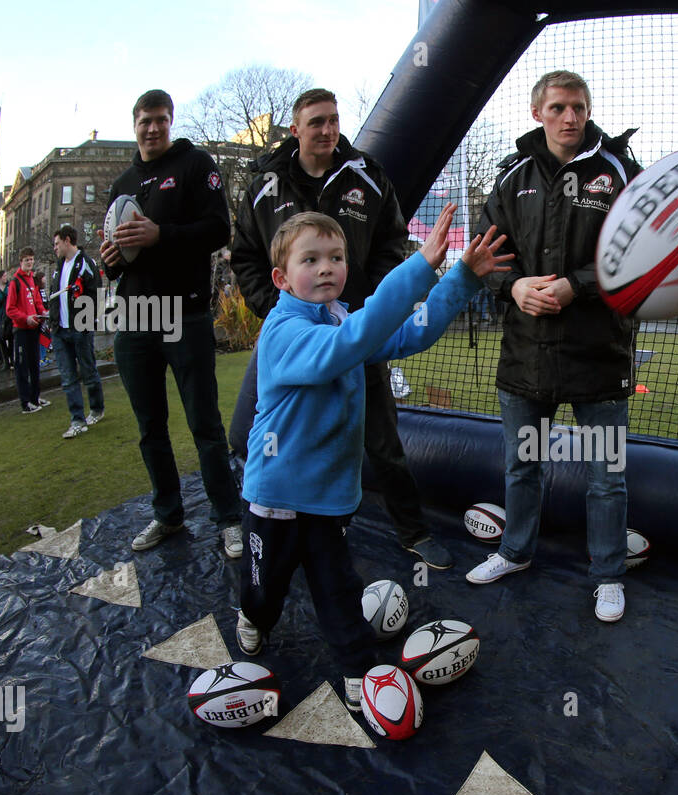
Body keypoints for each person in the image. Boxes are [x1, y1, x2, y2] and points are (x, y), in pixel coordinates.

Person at [235, 207, 511, 661]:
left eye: (336, 257)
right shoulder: (283, 331)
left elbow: (408, 335)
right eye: (310, 260)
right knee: (265, 591)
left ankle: (358, 673)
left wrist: (461, 278)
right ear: (281, 278)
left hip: (327, 499)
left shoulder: (340, 316)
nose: (326, 267)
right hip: (277, 496)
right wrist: (420, 266)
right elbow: (351, 344)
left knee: (339, 590)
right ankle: (252, 616)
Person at [229, 87, 456, 570]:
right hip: (294, 333)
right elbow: (246, 255)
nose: (328, 130)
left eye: (333, 120)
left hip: (356, 329)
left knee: (383, 441)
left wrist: (366, 311)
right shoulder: (265, 185)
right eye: (316, 122)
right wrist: (282, 308)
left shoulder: (368, 177)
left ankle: (413, 531)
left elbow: (393, 246)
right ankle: (258, 532)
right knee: (249, 435)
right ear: (295, 130)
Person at [465, 70, 641, 623]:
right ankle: (514, 552)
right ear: (538, 111)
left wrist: (577, 286)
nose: (571, 117)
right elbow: (484, 254)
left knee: (605, 476)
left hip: (598, 351)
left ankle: (608, 574)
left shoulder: (620, 174)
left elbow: (640, 257)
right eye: (560, 107)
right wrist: (512, 286)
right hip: (526, 354)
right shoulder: (512, 175)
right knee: (522, 466)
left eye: (580, 108)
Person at [99, 89, 242, 557]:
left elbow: (219, 229)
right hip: (135, 318)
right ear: (134, 123)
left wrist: (162, 234)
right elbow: (121, 259)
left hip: (185, 312)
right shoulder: (121, 183)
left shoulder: (196, 165)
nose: (153, 128)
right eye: (145, 120)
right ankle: (168, 514)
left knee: (204, 422)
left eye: (161, 119)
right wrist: (110, 262)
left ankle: (228, 516)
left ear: (170, 121)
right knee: (149, 426)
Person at [49, 225, 105, 438]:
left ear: (66, 240)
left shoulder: (86, 264)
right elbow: (55, 295)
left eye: (56, 243)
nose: (55, 248)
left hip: (80, 327)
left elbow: (97, 293)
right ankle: (77, 420)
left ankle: (97, 408)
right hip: (59, 329)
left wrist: (89, 320)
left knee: (88, 371)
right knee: (67, 376)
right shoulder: (59, 266)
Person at [5, 250, 51, 412]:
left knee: (34, 364)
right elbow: (10, 309)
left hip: (33, 328)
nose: (29, 262)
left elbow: (37, 301)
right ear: (21, 262)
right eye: (26, 260)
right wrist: (25, 318)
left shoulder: (32, 279)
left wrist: (42, 313)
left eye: (31, 259)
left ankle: (35, 397)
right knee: (22, 367)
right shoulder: (15, 282)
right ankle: (25, 403)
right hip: (22, 330)